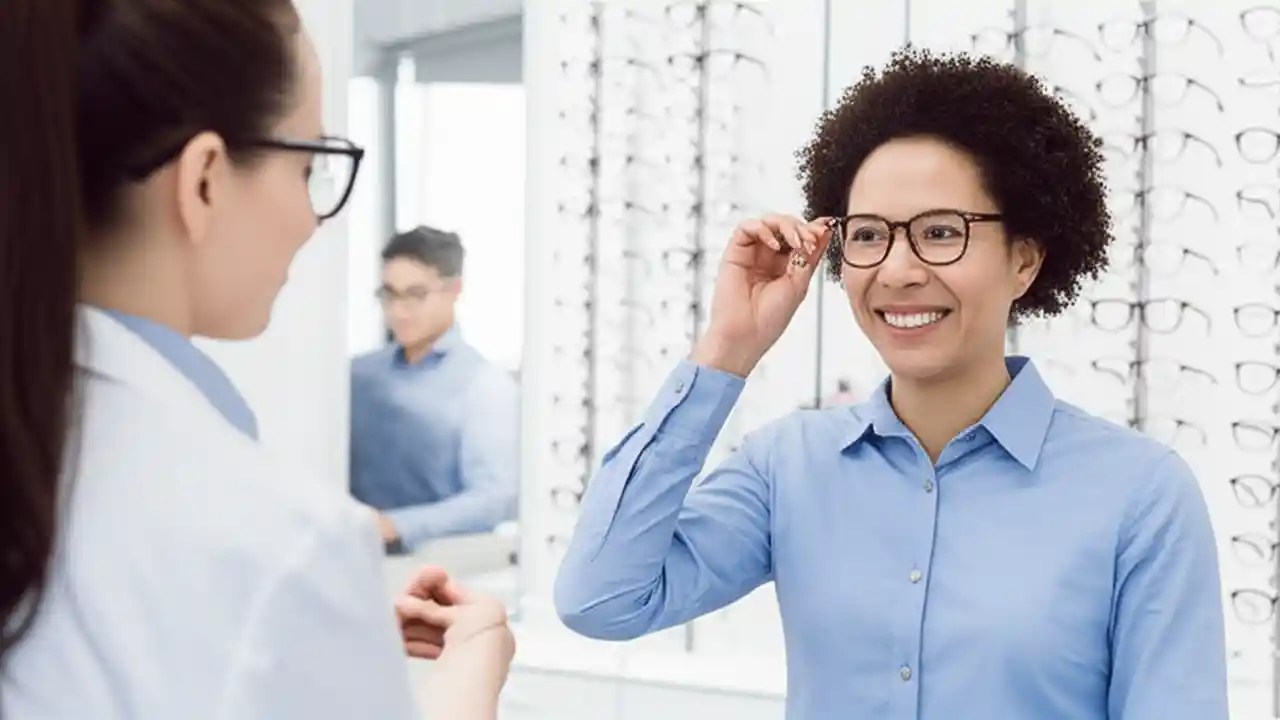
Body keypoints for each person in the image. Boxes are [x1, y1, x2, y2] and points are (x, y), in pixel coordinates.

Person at [554, 49, 1228, 719]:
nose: (898, 271)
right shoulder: (786, 468)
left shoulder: (1139, 493)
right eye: (869, 236)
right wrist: (727, 350)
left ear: (1023, 261)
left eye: (941, 232)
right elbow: (601, 600)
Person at [0, 2, 512, 718]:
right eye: (309, 167)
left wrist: (315, 627)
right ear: (205, 179)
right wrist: (468, 677)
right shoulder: (283, 539)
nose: (312, 219)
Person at [351, 226, 519, 551]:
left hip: (439, 565)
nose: (398, 311)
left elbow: (496, 499)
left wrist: (394, 526)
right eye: (389, 294)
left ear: (454, 289)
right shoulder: (357, 376)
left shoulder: (483, 386)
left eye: (415, 294)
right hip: (349, 555)